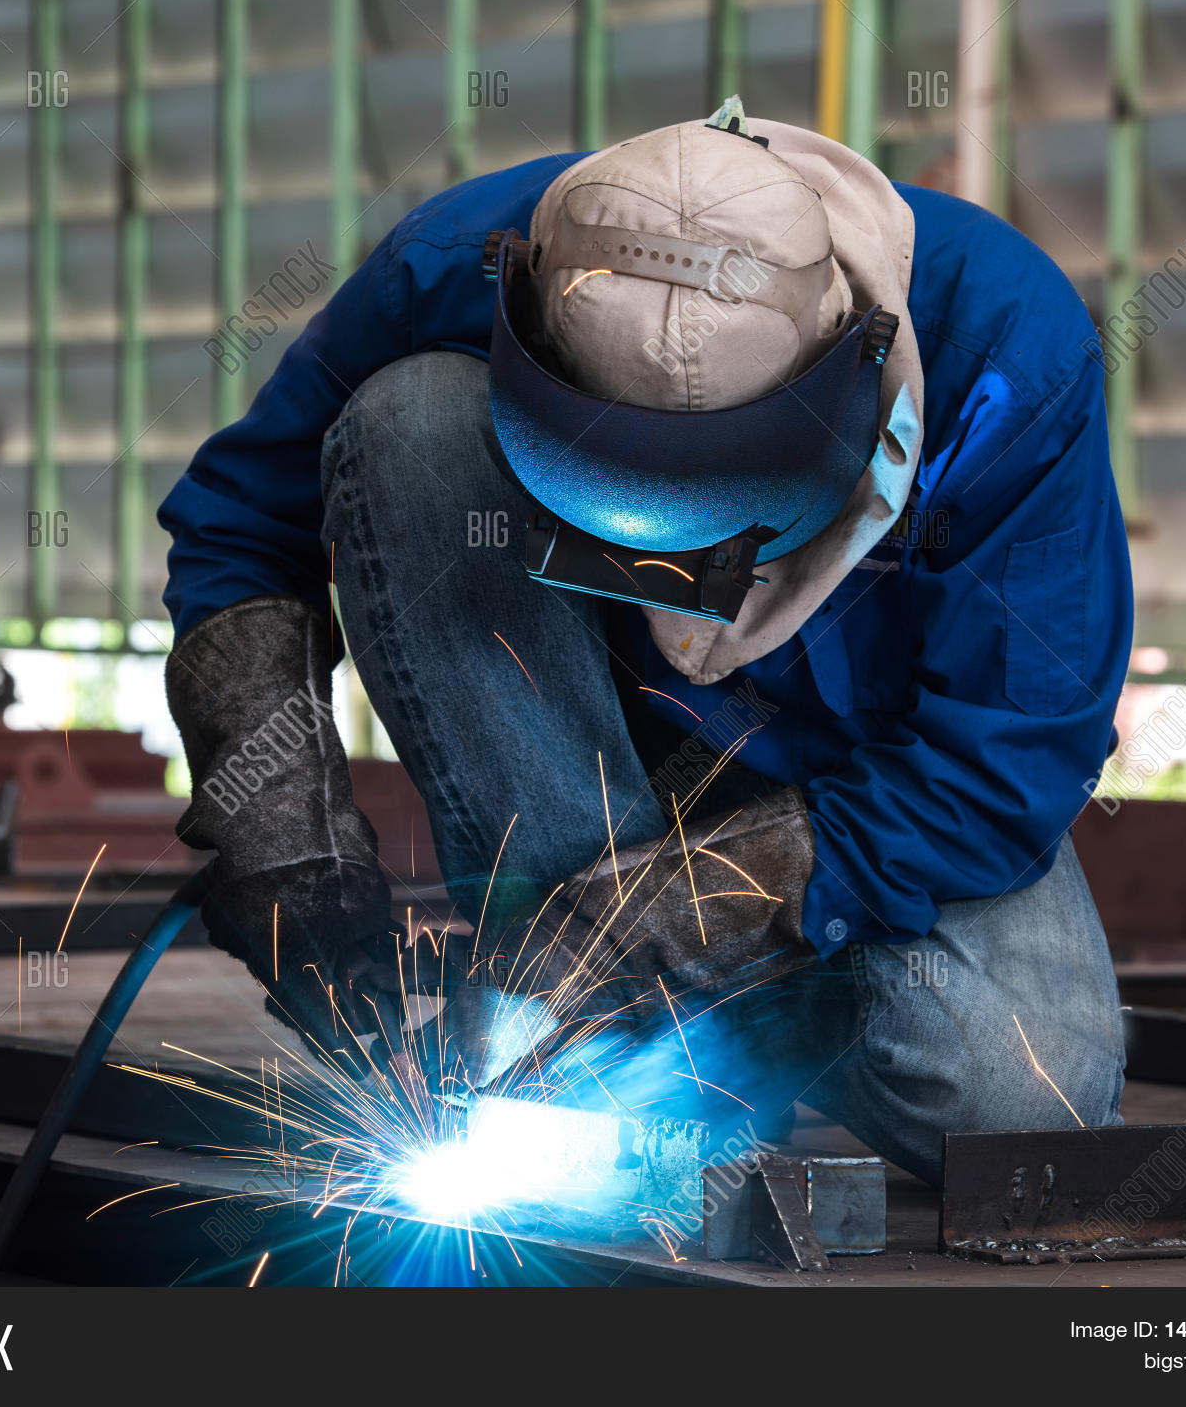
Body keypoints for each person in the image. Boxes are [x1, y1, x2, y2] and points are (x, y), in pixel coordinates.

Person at [159, 101, 1131, 1184]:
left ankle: (710, 1012)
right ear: (525, 311)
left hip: (859, 795)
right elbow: (241, 520)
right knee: (413, 422)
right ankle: (582, 1033)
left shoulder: (999, 345)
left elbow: (1007, 755)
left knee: (1016, 1107)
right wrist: (283, 836)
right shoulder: (455, 261)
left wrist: (674, 915)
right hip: (582, 762)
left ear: (852, 367)